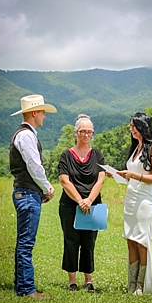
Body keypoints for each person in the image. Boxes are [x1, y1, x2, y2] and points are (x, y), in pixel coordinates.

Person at [9, 95, 56, 299]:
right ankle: (27, 289)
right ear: (34, 112)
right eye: (43, 112)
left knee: (23, 242)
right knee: (26, 243)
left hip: (25, 192)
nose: (44, 116)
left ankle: (21, 285)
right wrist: (47, 188)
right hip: (28, 193)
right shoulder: (26, 136)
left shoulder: (25, 134)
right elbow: (34, 166)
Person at [112, 112, 152, 296]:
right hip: (131, 197)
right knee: (131, 240)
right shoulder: (135, 148)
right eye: (130, 126)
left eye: (133, 126)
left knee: (142, 240)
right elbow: (131, 177)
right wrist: (119, 175)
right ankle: (132, 283)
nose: (130, 129)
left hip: (145, 200)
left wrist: (134, 175)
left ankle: (141, 285)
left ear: (143, 126)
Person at [58, 115, 106, 292]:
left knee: (89, 242)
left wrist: (89, 200)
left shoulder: (97, 155)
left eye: (89, 132)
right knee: (71, 241)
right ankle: (72, 281)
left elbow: (100, 180)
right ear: (75, 133)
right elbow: (65, 181)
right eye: (82, 131)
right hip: (70, 205)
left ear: (92, 134)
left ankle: (88, 279)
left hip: (92, 205)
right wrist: (79, 200)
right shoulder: (66, 155)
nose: (86, 135)